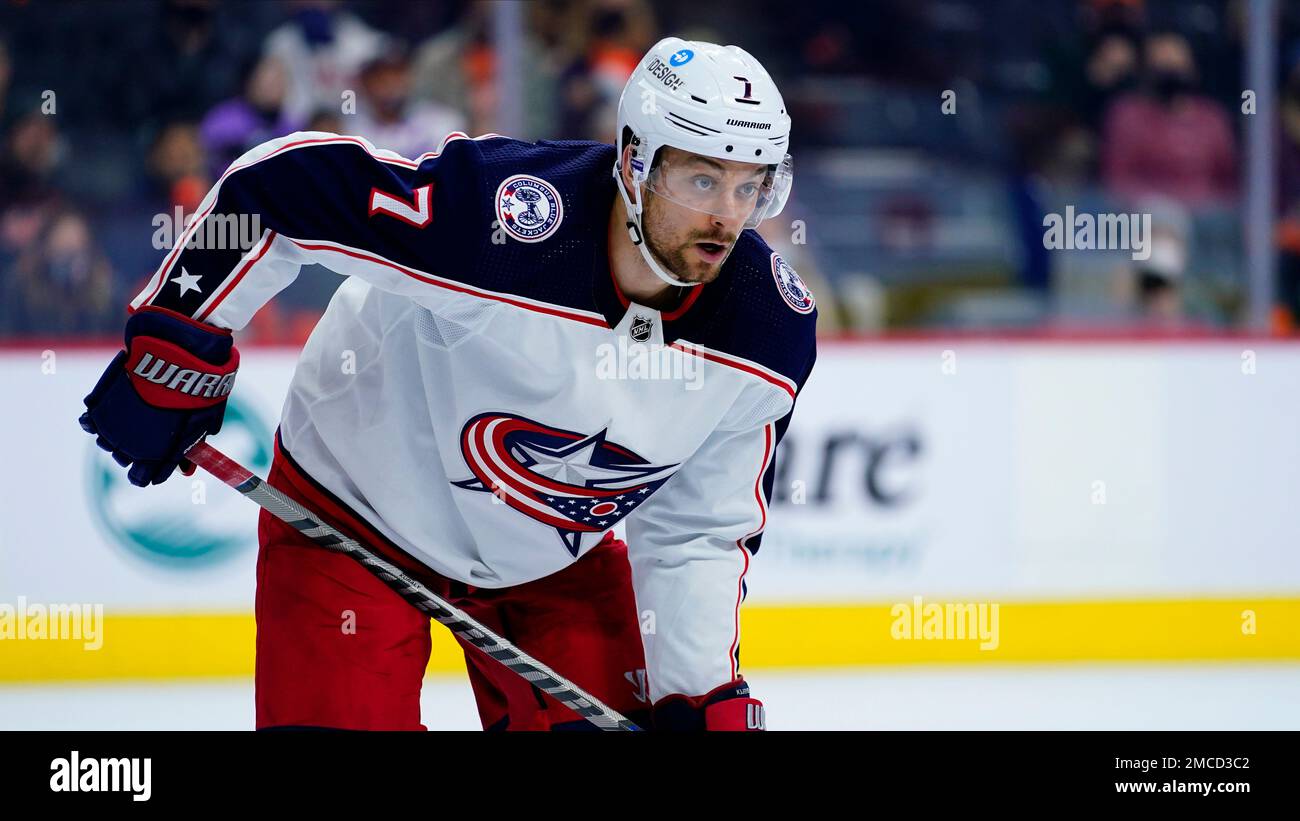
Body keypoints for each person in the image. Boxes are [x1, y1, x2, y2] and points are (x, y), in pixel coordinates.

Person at [78, 37, 816, 731]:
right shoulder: (504, 222)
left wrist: (698, 692)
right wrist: (177, 337)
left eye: (753, 186)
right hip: (351, 512)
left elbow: (696, 533)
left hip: (549, 555)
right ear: (633, 161)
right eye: (701, 178)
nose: (727, 217)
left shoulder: (765, 329)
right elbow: (278, 192)